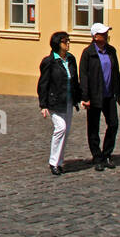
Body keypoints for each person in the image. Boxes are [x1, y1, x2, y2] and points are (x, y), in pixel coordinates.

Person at [79, 22, 120, 171]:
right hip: (94, 95)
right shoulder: (88, 53)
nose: (106, 36)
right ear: (94, 36)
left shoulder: (111, 51)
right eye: (103, 33)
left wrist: (119, 91)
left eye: (106, 33)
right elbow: (84, 76)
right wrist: (85, 97)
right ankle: (97, 157)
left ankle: (107, 154)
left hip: (109, 94)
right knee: (93, 127)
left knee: (113, 124)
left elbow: (116, 72)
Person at [37, 31, 81, 176]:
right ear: (57, 44)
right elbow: (43, 84)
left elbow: (75, 81)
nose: (68, 43)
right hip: (54, 101)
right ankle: (53, 162)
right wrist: (43, 105)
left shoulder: (71, 59)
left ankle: (60, 162)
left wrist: (80, 98)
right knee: (60, 128)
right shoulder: (49, 62)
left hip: (68, 100)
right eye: (64, 41)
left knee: (66, 132)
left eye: (68, 40)